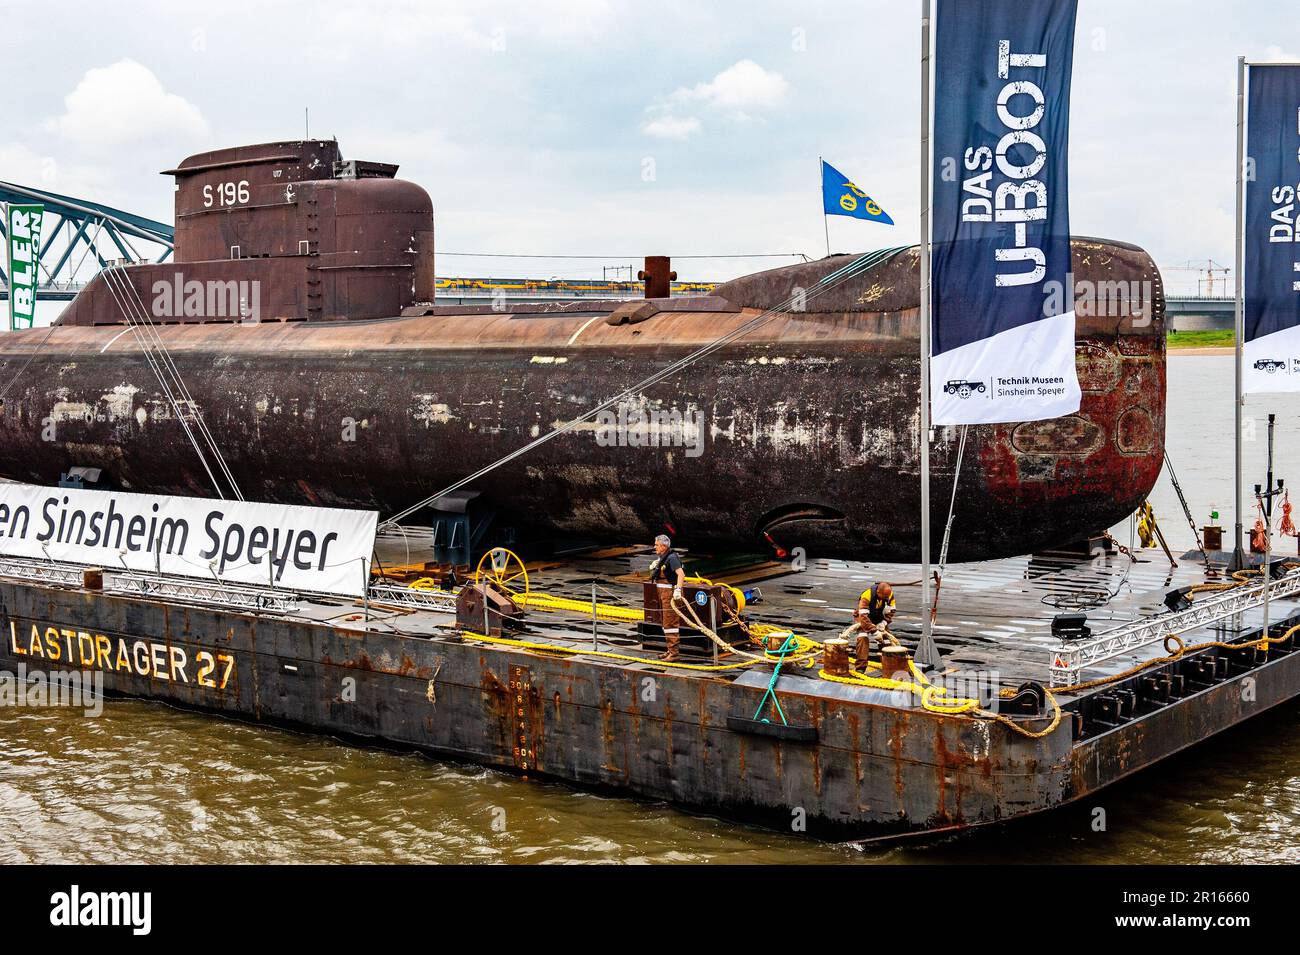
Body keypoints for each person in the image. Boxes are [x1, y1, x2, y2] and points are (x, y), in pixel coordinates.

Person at [648, 534, 686, 661]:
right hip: (663, 594)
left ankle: (674, 653)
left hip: (670, 595)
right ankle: (670, 650)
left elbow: (681, 574)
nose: (655, 547)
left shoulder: (672, 558)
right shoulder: (664, 558)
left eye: (657, 545)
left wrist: (678, 590)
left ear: (663, 546)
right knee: (666, 623)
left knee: (670, 623)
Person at [853, 581, 896, 670]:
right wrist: (875, 632)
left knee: (886, 640)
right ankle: (861, 667)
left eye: (887, 597)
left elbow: (891, 611)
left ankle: (888, 665)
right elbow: (863, 618)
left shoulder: (889, 595)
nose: (886, 598)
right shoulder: (866, 596)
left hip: (878, 616)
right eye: (884, 597)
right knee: (862, 637)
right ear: (878, 592)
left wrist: (884, 623)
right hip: (864, 617)